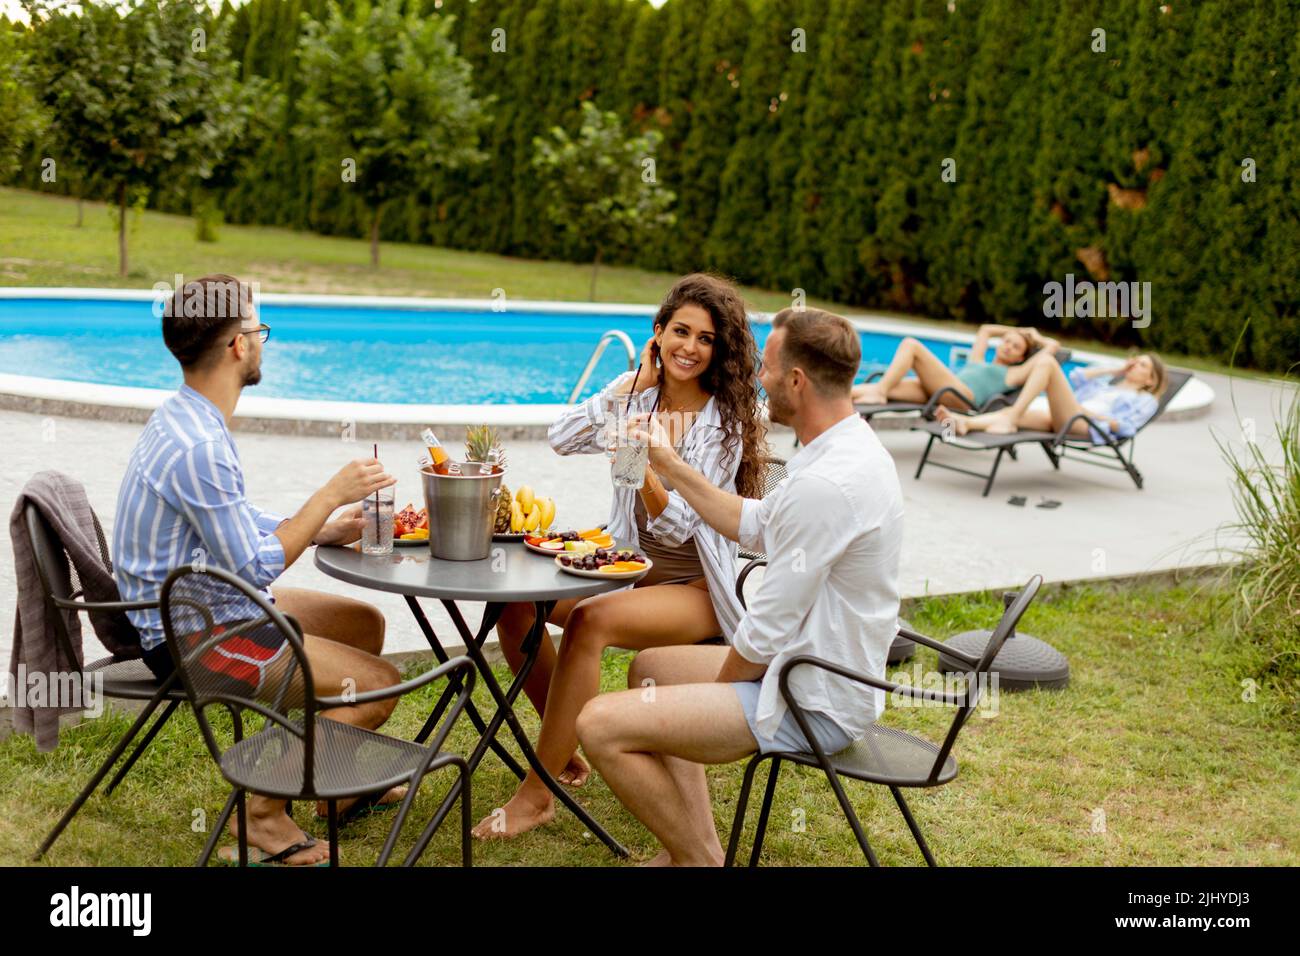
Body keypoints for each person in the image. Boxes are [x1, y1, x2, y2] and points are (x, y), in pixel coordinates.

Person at [576, 306, 905, 866]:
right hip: (812, 667)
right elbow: (751, 523)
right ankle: (695, 849)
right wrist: (671, 465)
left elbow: (767, 630)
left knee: (599, 724)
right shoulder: (846, 449)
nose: (760, 379)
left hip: (813, 698)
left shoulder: (827, 484)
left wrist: (716, 694)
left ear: (797, 381)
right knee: (653, 667)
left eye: (768, 368)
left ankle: (698, 861)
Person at [112, 274, 402, 866]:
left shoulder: (186, 417)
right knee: (377, 684)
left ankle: (335, 785)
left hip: (205, 604)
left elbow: (236, 518)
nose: (262, 341)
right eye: (257, 330)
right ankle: (262, 814)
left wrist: (323, 527)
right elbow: (254, 561)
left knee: (364, 624)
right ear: (237, 346)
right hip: (195, 636)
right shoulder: (199, 445)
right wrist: (328, 495)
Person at [472, 273, 767, 840]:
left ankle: (537, 794)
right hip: (630, 566)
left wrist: (648, 468)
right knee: (513, 606)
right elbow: (561, 436)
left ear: (719, 350)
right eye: (680, 331)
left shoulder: (724, 422)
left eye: (706, 339)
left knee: (589, 619)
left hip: (695, 587)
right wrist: (629, 383)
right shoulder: (639, 397)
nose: (691, 347)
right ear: (657, 334)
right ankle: (562, 748)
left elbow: (685, 528)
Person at [934, 351, 1167, 441]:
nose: (1134, 366)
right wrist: (1115, 370)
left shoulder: (1145, 400)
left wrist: (1088, 413)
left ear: (1151, 380)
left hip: (1086, 424)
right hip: (1067, 416)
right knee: (1011, 413)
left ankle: (1010, 419)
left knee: (1046, 362)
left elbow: (1127, 428)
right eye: (1135, 362)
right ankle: (964, 423)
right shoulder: (1106, 384)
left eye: (1142, 366)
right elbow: (1077, 376)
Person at [851, 324, 1057, 410]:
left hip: (962, 396)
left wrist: (1034, 336)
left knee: (910, 345)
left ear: (1020, 357)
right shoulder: (978, 360)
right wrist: (1018, 331)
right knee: (888, 387)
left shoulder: (1014, 373)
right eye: (1007, 342)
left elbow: (1053, 346)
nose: (1008, 347)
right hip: (945, 390)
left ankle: (880, 391)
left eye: (1016, 347)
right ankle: (845, 396)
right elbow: (985, 330)